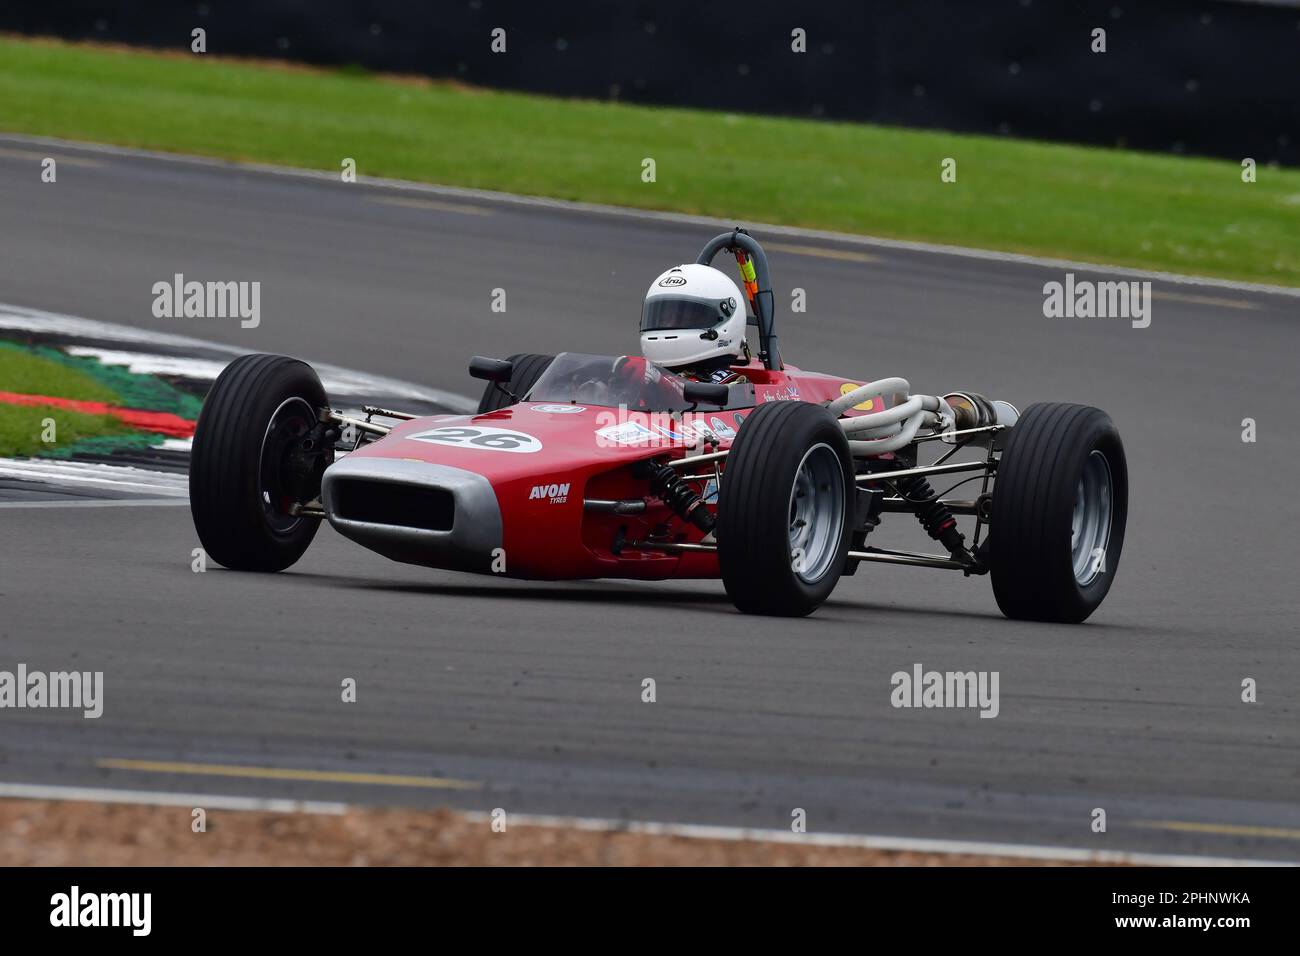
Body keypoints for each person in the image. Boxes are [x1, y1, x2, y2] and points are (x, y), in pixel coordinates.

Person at [639, 264, 751, 384]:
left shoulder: (733, 387)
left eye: (687, 317)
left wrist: (661, 384)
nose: (669, 324)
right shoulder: (646, 376)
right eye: (664, 317)